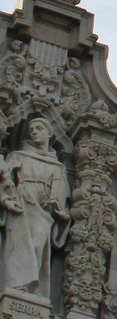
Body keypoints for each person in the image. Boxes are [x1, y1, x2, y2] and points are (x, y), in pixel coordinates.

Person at [0, 116, 70, 298]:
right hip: (21, 204)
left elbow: (61, 189)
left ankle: (33, 289)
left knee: (38, 244)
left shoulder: (57, 165)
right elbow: (4, 181)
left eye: (39, 128)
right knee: (17, 245)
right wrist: (7, 200)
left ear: (49, 133)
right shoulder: (18, 156)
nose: (35, 132)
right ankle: (16, 286)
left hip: (43, 210)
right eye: (32, 130)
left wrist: (56, 203)